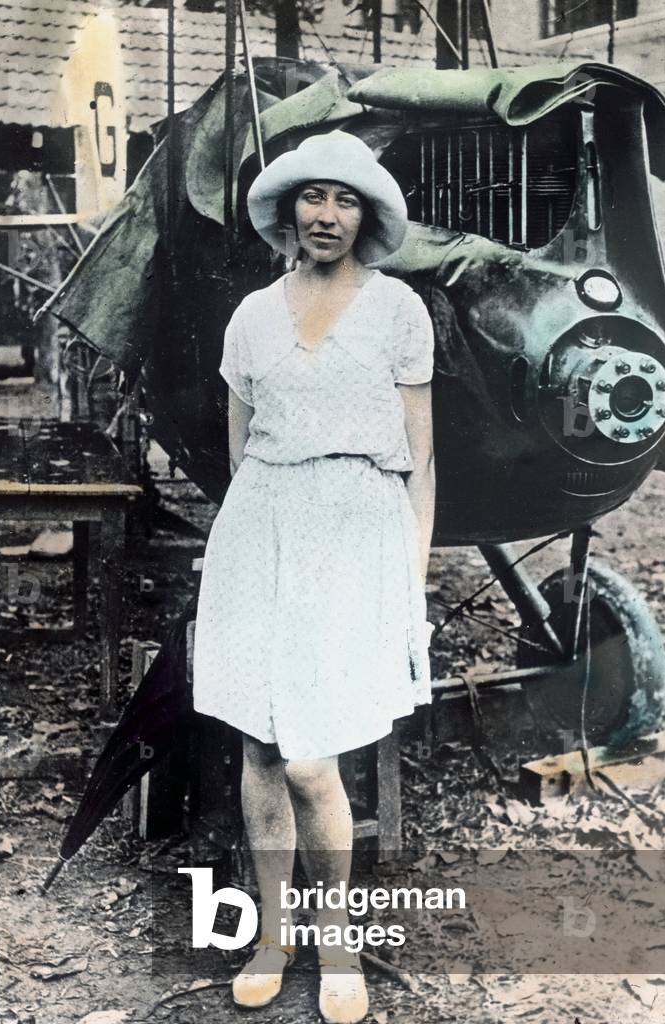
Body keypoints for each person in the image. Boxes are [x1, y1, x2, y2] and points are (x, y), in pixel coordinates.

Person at [193, 130, 435, 1024]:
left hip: (356, 535)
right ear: (288, 211)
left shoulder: (398, 309)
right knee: (260, 747)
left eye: (345, 200)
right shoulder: (251, 316)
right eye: (312, 197)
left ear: (365, 216)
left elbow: (422, 464)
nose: (326, 215)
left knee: (310, 756)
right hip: (264, 530)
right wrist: (248, 537)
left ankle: (336, 938)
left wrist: (408, 584)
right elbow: (240, 453)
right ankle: (271, 932)